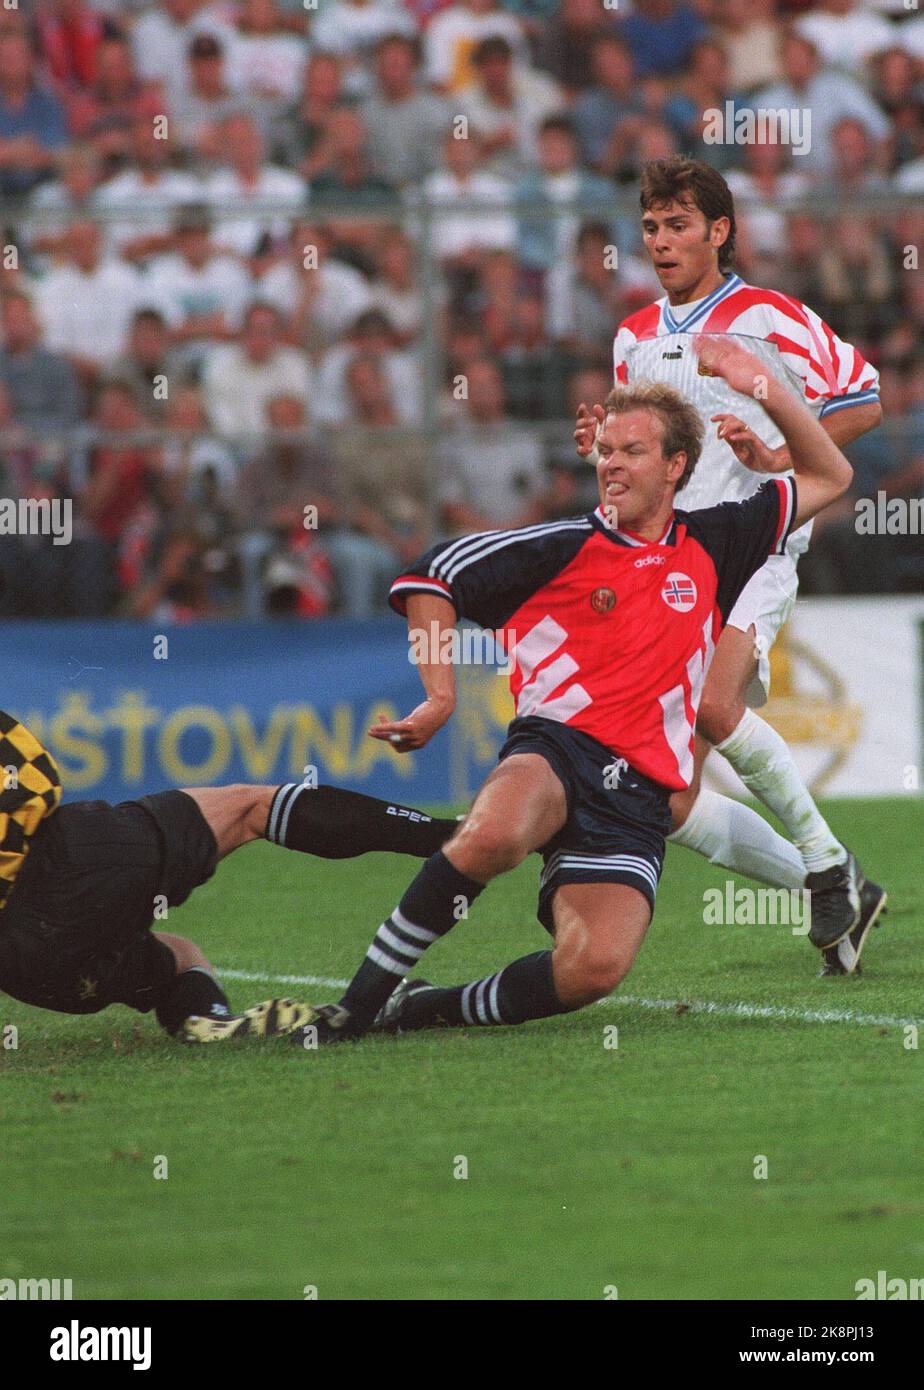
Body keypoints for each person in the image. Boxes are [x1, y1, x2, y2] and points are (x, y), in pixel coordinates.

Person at [291, 333, 872, 1047]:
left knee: (592, 970)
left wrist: (763, 385)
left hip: (636, 802)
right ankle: (351, 1009)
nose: (614, 464)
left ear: (676, 467)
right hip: (556, 751)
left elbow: (833, 473)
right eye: (609, 451)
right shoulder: (562, 545)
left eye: (634, 451)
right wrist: (440, 694)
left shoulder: (720, 538)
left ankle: (418, 1008)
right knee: (495, 834)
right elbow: (431, 577)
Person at [577, 157, 887, 976]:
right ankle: (842, 885)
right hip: (672, 563)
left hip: (761, 542)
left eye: (679, 225)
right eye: (651, 227)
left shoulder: (771, 318)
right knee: (673, 800)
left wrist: (784, 453)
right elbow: (640, 454)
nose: (662, 241)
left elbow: (863, 399)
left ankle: (822, 859)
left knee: (717, 702)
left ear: (719, 232)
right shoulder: (634, 336)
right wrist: (604, 454)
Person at [0, 708, 458, 1044]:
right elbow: (37, 777)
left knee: (178, 955)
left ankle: (208, 1017)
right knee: (250, 808)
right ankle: (452, 836)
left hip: (29, 969)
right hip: (70, 866)